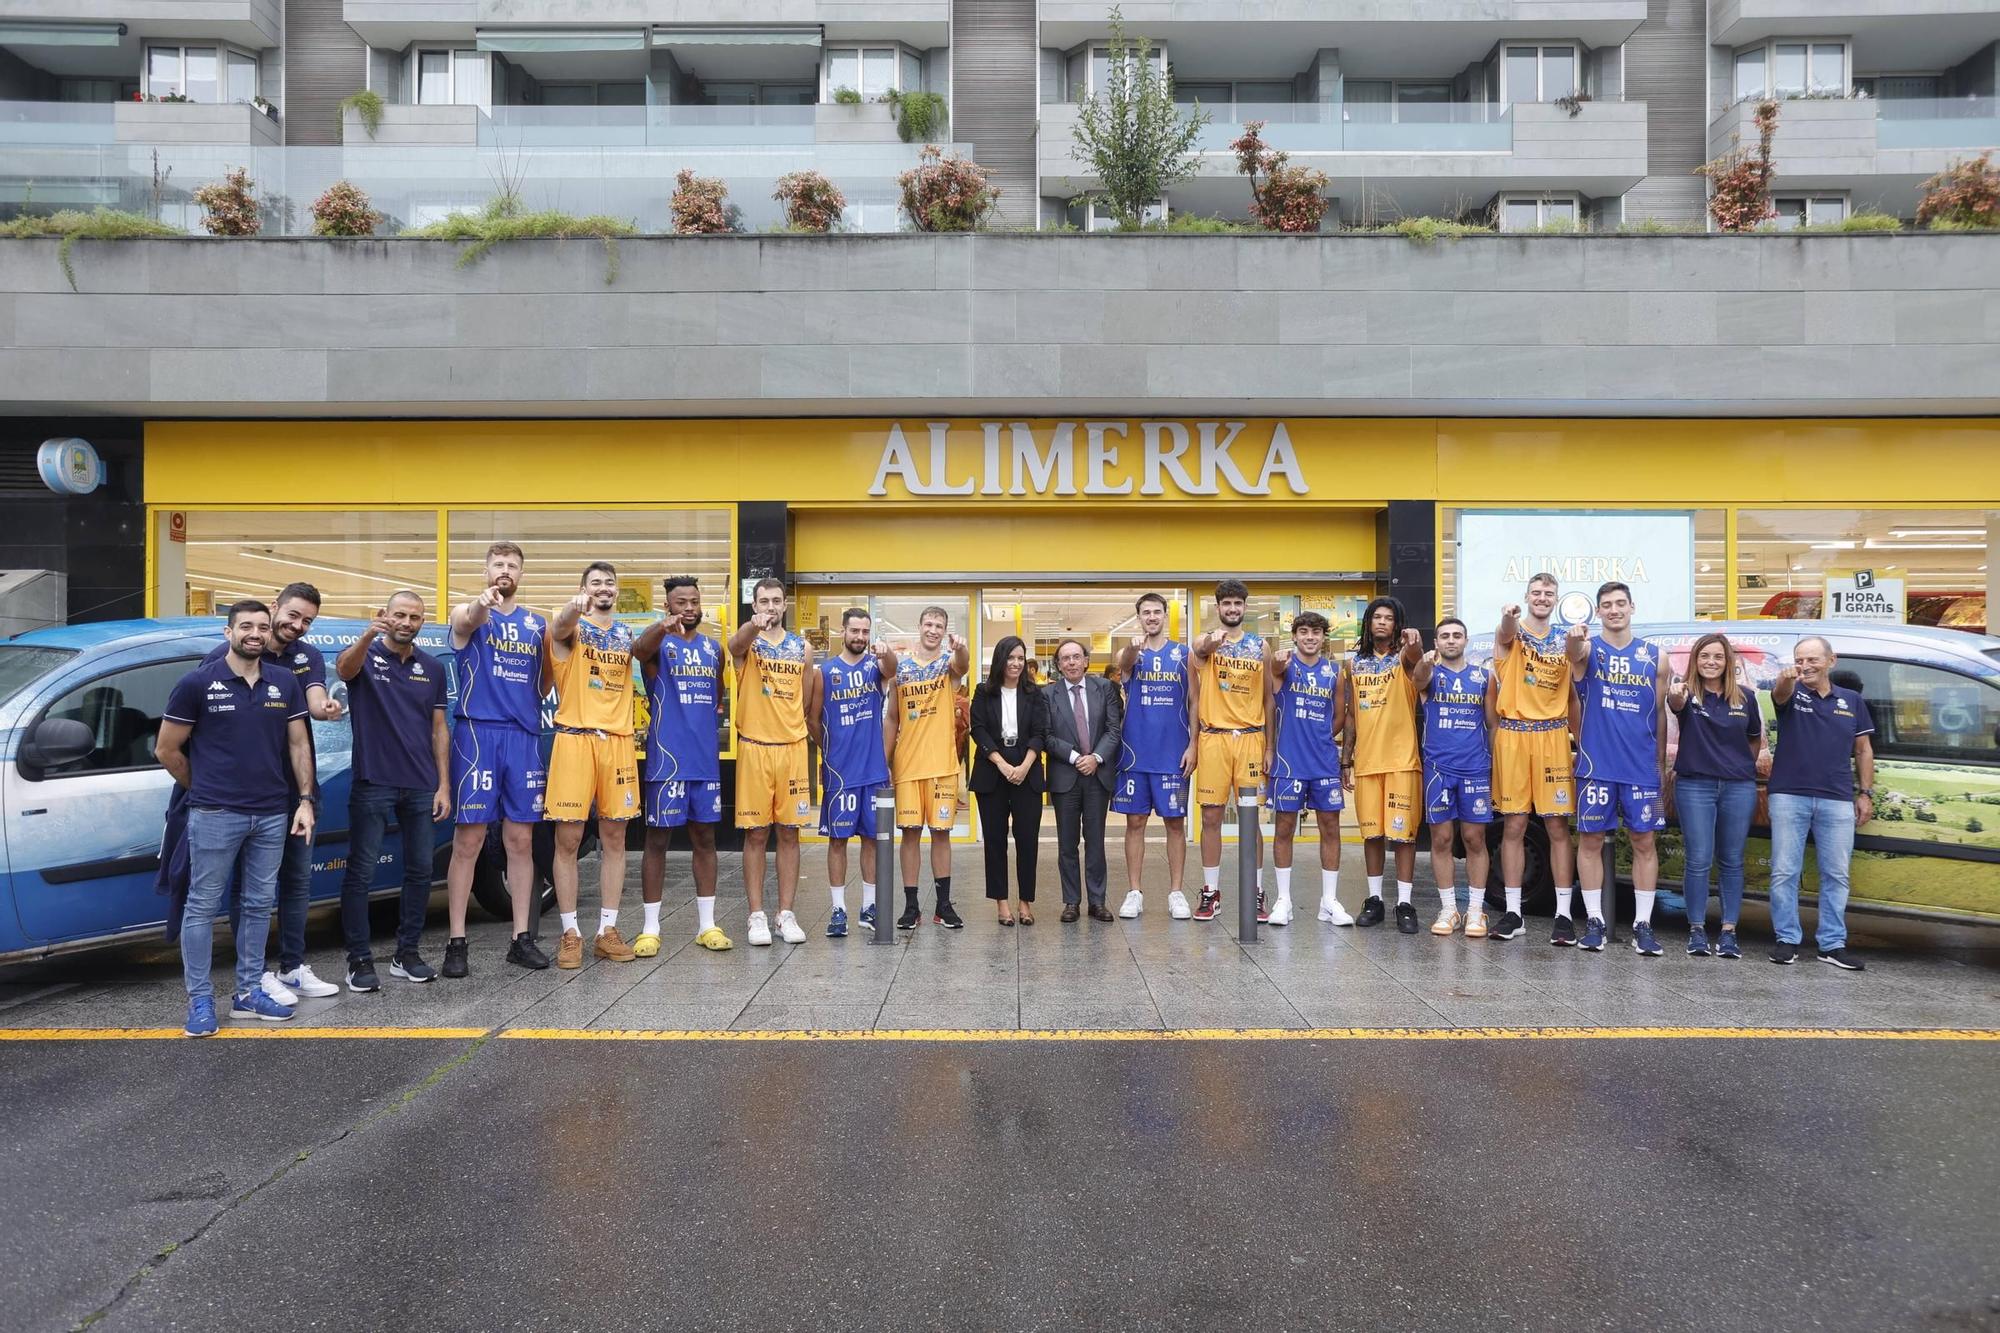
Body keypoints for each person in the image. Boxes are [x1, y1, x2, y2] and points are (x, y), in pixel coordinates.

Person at [156, 600, 316, 1036]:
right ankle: (200, 1001)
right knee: (202, 907)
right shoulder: (197, 683)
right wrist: (203, 787)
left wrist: (304, 801)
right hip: (214, 813)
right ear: (228, 632)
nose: (255, 633)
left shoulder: (283, 681)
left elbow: (299, 745)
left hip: (271, 813)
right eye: (246, 626)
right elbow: (167, 749)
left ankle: (247, 993)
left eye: (262, 627)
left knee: (259, 904)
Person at [202, 581, 344, 1006]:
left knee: (297, 881)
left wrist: (328, 709)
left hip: (297, 789)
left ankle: (292, 966)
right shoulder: (230, 658)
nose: (297, 625)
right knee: (249, 888)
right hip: (245, 794)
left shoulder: (307, 657)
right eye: (293, 615)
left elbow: (315, 701)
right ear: (274, 607)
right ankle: (256, 973)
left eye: (307, 621)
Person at [333, 591, 450, 990]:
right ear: (384, 615)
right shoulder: (365, 658)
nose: (407, 622)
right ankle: (359, 961)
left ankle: (407, 953)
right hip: (374, 781)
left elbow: (439, 729)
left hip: (420, 784)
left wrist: (444, 785)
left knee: (419, 871)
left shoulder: (433, 668)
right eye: (399, 615)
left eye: (415, 617)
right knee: (360, 874)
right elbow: (345, 671)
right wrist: (367, 636)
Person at [444, 541, 550, 974]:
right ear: (486, 570)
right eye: (498, 564)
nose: (504, 570)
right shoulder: (468, 613)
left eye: (512, 565)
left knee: (521, 841)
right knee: (468, 840)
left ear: (521, 573)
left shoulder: (536, 624)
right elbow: (467, 619)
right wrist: (480, 602)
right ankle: (456, 941)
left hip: (523, 736)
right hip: (477, 732)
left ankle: (521, 937)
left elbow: (544, 683)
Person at [1566, 581, 1671, 955]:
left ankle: (1643, 925)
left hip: (1642, 768)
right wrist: (1576, 637)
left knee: (1645, 841)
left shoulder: (1656, 657)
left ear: (1632, 607)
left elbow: (1657, 713)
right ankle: (1594, 921)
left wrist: (1659, 764)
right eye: (1607, 605)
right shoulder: (1589, 649)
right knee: (1591, 841)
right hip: (1597, 765)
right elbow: (1573, 655)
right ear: (1598, 612)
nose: (1614, 610)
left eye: (1620, 603)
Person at [546, 561, 640, 968]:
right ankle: (570, 933)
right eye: (595, 583)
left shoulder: (626, 634)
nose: (603, 588)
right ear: (584, 589)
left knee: (615, 839)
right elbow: (559, 625)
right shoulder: (572, 628)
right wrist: (574, 605)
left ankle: (607, 930)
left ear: (617, 591)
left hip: (617, 742)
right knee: (568, 840)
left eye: (609, 583)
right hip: (575, 739)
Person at [1763, 635, 1875, 970]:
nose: (1805, 666)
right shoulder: (1791, 691)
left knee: (1837, 874)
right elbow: (1779, 695)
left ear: (1831, 660)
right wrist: (1785, 679)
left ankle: (1832, 944)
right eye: (1799, 660)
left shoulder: (1852, 700)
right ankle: (1787, 940)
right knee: (1784, 871)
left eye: (1812, 660)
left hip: (1837, 798)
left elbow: (1864, 750)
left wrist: (1865, 793)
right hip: (1789, 794)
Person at [633, 576, 731, 955]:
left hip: (704, 761)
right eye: (680, 602)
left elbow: (717, 697)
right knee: (657, 840)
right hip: (666, 762)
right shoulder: (659, 645)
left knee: (705, 839)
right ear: (668, 606)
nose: (689, 608)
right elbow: (637, 651)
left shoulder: (713, 648)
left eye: (693, 601)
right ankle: (650, 928)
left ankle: (707, 925)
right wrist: (661, 627)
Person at [1491, 573, 1578, 943]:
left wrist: (1582, 747)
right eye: (1536, 593)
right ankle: (1514, 912)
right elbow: (1505, 632)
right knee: (1514, 826)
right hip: (1514, 734)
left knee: (1557, 826)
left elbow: (1574, 688)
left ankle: (1563, 913)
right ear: (1526, 597)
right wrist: (1509, 615)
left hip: (1553, 735)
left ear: (1556, 599)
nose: (1542, 598)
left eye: (1549, 594)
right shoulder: (1509, 635)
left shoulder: (1563, 639)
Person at [729, 577, 814, 947]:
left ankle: (785, 913)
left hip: (792, 748)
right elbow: (734, 644)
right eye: (764, 601)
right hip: (754, 746)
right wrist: (752, 627)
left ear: (785, 605)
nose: (771, 606)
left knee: (790, 833)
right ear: (754, 605)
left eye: (777, 600)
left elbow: (806, 701)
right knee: (756, 834)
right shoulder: (747, 643)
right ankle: (756, 915)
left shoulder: (802, 648)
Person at [1667, 632, 1763, 960]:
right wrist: (1675, 694)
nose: (1711, 662)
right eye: (1705, 656)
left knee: (1732, 860)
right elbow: (1675, 704)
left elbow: (1753, 740)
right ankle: (1696, 930)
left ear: (1727, 662)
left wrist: (1737, 767)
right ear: (1695, 660)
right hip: (1695, 785)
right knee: (1698, 859)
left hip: (1738, 786)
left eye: (1718, 657)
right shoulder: (1686, 693)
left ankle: (1728, 932)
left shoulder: (1745, 698)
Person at [808, 607, 892, 937]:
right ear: (842, 631)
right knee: (838, 841)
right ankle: (838, 909)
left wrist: (885, 654)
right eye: (854, 630)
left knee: (871, 839)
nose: (859, 637)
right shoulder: (824, 672)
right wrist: (830, 749)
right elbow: (813, 719)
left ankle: (868, 906)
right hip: (839, 772)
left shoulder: (876, 668)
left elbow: (892, 669)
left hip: (873, 771)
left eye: (865, 632)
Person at [1191, 580, 1272, 922]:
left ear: (1245, 607)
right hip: (1214, 738)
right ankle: (1211, 893)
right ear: (1218, 607)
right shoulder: (1205, 641)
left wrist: (1271, 746)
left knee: (1250, 820)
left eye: (1238, 603)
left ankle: (1255, 893)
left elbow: (1269, 698)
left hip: (1251, 739)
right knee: (1210, 817)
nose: (1233, 609)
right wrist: (1211, 642)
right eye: (1227, 604)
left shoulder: (1260, 647)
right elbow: (1199, 650)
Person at [1110, 593, 1194, 920]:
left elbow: (1196, 704)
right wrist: (1133, 647)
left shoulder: (1183, 655)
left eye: (1157, 612)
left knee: (1175, 823)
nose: (1152, 617)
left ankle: (1176, 892)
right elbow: (1124, 661)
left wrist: (1194, 745)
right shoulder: (1131, 653)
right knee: (1135, 822)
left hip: (1173, 753)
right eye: (1146, 613)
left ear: (1165, 616)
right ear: (1139, 617)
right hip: (1135, 755)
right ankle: (1134, 892)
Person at [1345, 599, 1426, 932]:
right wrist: (1345, 758)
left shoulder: (1404, 659)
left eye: (1388, 618)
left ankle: (1404, 903)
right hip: (1367, 761)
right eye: (1377, 617)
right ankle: (1375, 899)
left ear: (1397, 623)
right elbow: (1350, 715)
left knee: (1403, 836)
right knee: (1373, 834)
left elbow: (1417, 663)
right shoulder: (1353, 664)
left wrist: (1415, 644)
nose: (1382, 622)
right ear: (1368, 623)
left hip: (1402, 760)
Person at [1266, 611, 1349, 928]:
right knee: (1284, 828)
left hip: (1324, 762)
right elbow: (1273, 676)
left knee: (1330, 828)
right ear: (1294, 635)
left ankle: (1328, 901)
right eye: (1303, 631)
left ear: (1323, 636)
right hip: (1289, 762)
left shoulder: (1334, 671)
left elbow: (1340, 714)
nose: (1310, 637)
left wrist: (1322, 737)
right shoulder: (1284, 665)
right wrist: (1276, 662)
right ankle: (1283, 900)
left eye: (1316, 632)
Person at [890, 606, 970, 930]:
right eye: (929, 623)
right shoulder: (901, 667)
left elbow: (961, 665)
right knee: (909, 835)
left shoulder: (948, 665)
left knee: (941, 835)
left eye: (939, 625)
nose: (933, 629)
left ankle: (943, 905)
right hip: (907, 765)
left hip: (942, 765)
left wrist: (961, 647)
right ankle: (911, 906)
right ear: (919, 626)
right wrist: (886, 761)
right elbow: (892, 717)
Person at [1414, 618, 1496, 937]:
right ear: (1437, 641)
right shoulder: (1431, 673)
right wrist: (1423, 660)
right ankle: (1449, 909)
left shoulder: (1483, 677)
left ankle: (1476, 911)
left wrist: (1494, 766)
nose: (1451, 640)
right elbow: (1417, 681)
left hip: (1475, 768)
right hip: (1438, 768)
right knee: (1442, 839)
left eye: (1457, 635)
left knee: (1475, 839)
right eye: (1445, 636)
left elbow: (1493, 724)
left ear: (1466, 640)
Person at [1044, 638, 1124, 923]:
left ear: (1086, 661)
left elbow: (1114, 729)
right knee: (1067, 844)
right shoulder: (1047, 695)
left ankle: (1098, 901)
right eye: (1065, 659)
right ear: (1058, 665)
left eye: (1076, 657)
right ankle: (1071, 902)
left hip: (1097, 775)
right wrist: (1076, 757)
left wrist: (1096, 758)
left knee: (1095, 841)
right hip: (1065, 776)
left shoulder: (1104, 689)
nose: (1071, 663)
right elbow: (1046, 736)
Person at [969, 636, 1047, 925]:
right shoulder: (983, 691)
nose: (1016, 663)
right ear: (1000, 660)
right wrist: (1002, 764)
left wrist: (1025, 765)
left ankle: (1025, 902)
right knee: (995, 840)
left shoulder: (1034, 693)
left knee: (1028, 840)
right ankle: (1002, 903)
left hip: (1027, 770)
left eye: (1020, 658)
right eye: (1011, 658)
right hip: (992, 770)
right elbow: (978, 730)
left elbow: (1040, 731)